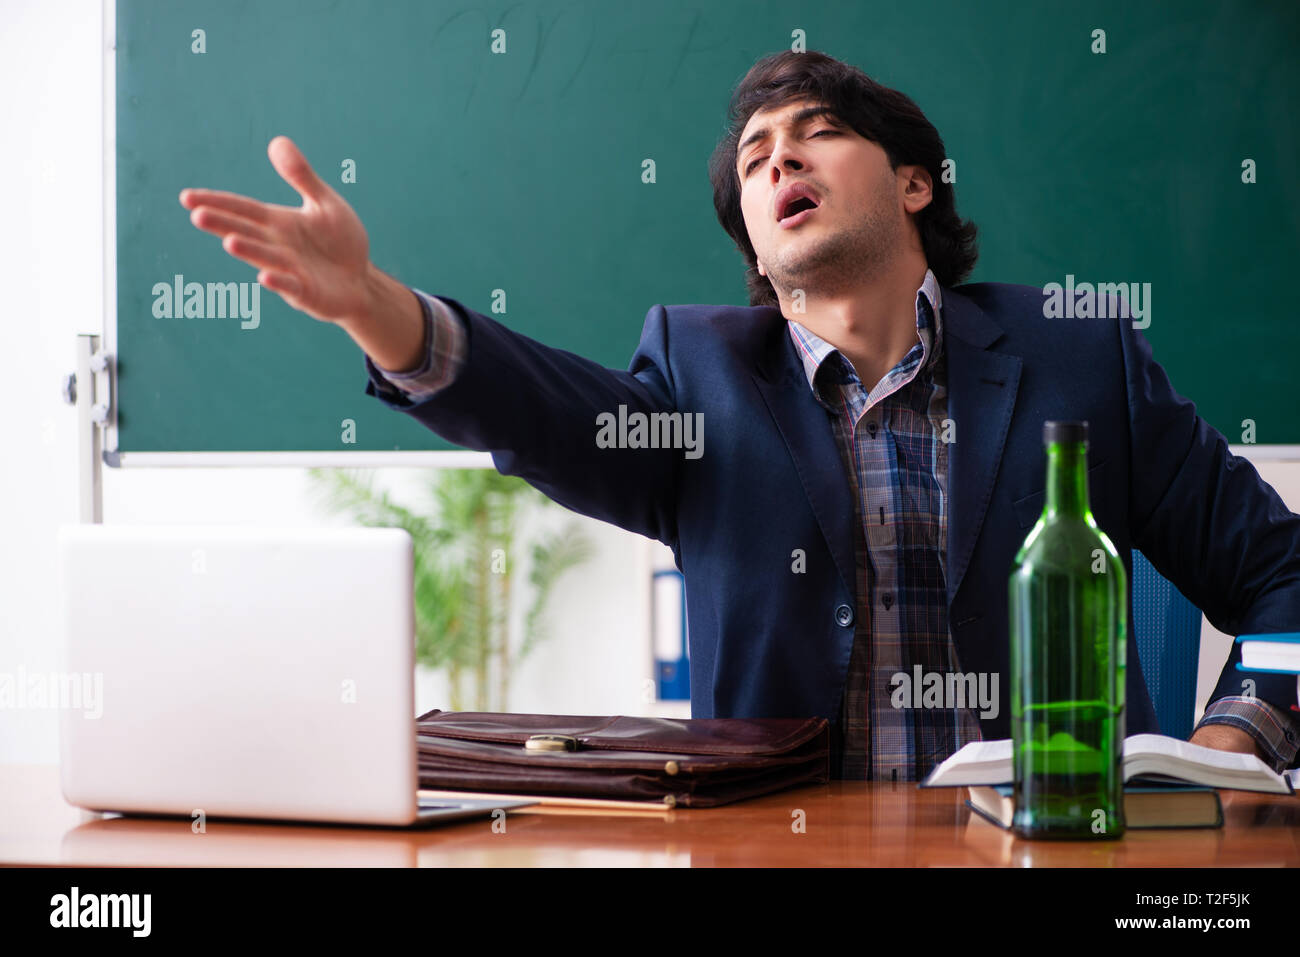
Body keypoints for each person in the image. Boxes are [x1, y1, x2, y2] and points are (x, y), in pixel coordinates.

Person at [179, 50, 1300, 780]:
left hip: (1056, 856)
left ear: (914, 183)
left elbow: (1283, 577)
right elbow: (546, 413)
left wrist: (1232, 738)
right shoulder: (701, 374)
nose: (779, 163)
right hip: (790, 856)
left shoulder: (1075, 353)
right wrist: (378, 309)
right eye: (755, 162)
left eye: (813, 135)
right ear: (757, 248)